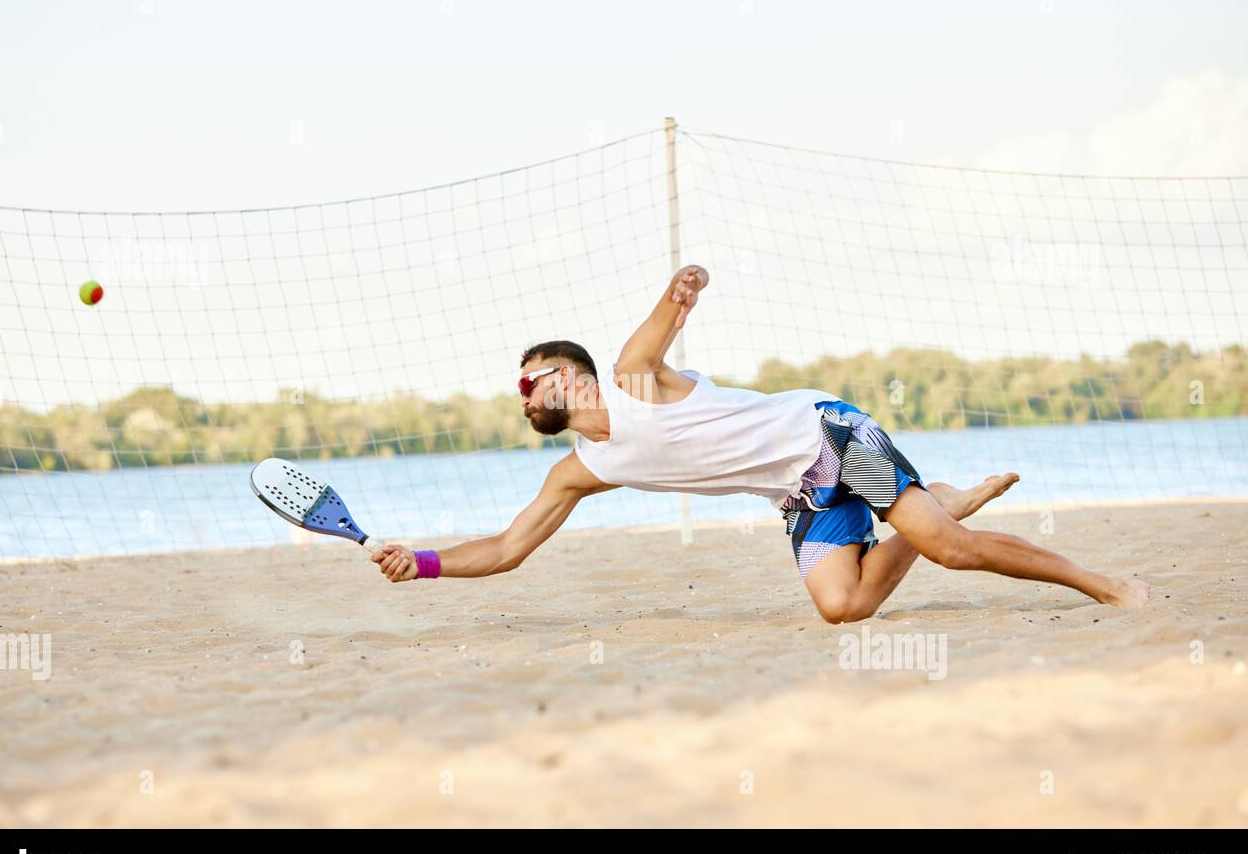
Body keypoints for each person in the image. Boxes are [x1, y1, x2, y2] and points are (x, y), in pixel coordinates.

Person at [371, 266, 1148, 621]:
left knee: (953, 549)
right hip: (801, 494)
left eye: (528, 380)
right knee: (844, 605)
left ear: (569, 376)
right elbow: (508, 547)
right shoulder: (583, 469)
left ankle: (1102, 583)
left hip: (830, 434)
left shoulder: (633, 383)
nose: (523, 395)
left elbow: (654, 332)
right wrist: (425, 562)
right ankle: (931, 501)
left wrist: (680, 296)